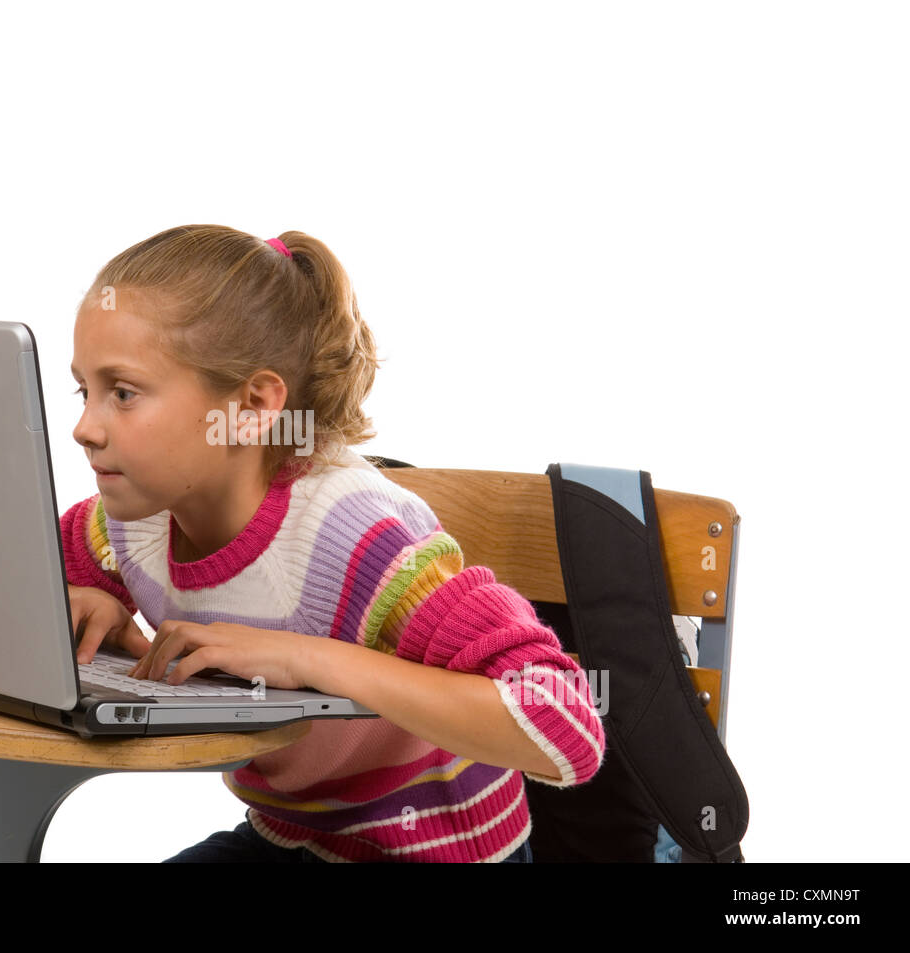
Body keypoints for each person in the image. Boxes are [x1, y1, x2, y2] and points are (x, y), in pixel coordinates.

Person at [59, 224, 606, 863]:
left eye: (122, 393)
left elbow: (562, 723)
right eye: (84, 389)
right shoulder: (131, 518)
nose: (84, 427)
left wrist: (309, 659)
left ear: (252, 406)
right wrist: (84, 592)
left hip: (435, 852)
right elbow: (53, 562)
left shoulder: (358, 538)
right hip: (291, 840)